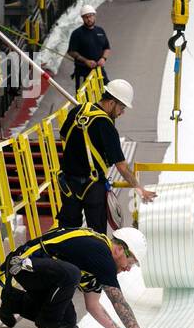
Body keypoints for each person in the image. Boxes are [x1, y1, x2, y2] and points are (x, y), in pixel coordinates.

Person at [0, 225, 171, 328]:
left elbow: (93, 305)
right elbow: (118, 300)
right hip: (23, 264)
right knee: (72, 274)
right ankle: (22, 268)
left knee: (68, 324)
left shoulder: (97, 267)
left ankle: (13, 302)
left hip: (45, 275)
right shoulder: (101, 252)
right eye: (131, 261)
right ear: (119, 249)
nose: (128, 268)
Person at [57, 78, 156, 232]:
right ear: (111, 103)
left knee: (66, 232)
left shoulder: (78, 111)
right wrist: (139, 188)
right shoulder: (107, 127)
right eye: (121, 107)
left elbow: (64, 137)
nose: (122, 113)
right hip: (93, 187)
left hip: (68, 185)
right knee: (97, 234)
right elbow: (122, 167)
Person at [66, 3, 111, 91]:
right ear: (82, 18)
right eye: (86, 17)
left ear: (95, 16)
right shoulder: (77, 34)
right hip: (83, 72)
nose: (89, 19)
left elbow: (107, 47)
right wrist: (86, 61)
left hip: (99, 70)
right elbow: (71, 51)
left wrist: (103, 58)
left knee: (107, 92)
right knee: (83, 98)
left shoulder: (100, 31)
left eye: (91, 16)